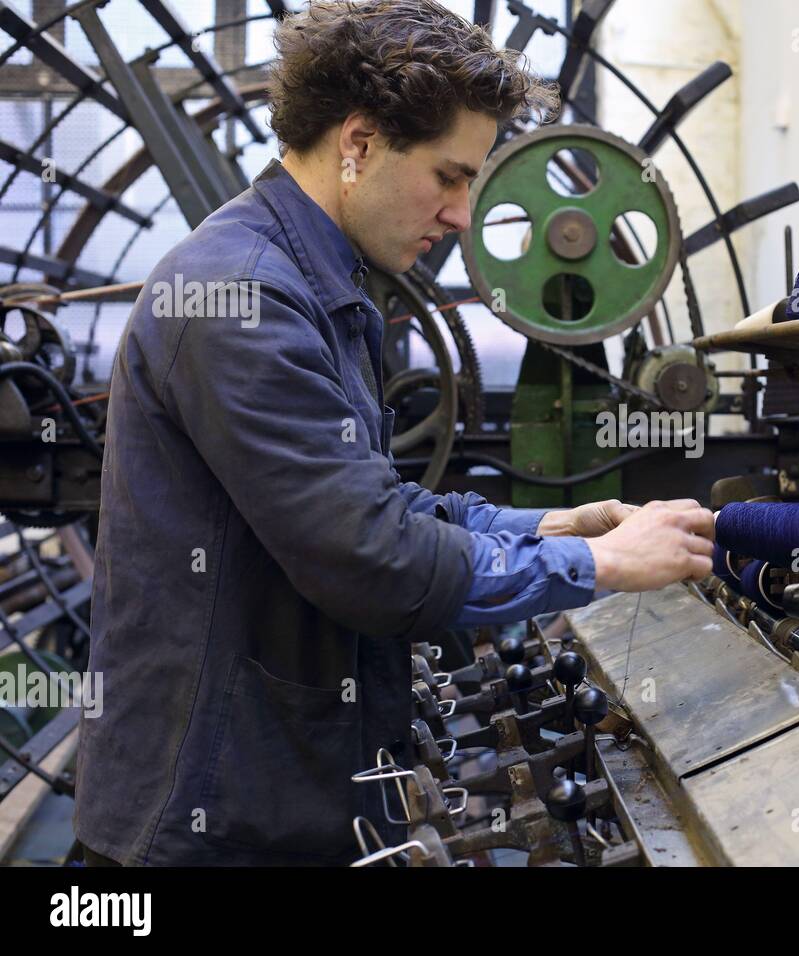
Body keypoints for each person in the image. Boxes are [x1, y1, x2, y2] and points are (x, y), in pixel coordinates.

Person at [74, 0, 715, 866]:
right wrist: (599, 566)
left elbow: (376, 502)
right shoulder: (246, 298)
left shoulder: (314, 285)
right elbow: (371, 558)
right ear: (361, 144)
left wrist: (549, 527)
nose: (461, 216)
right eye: (450, 177)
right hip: (209, 826)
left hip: (272, 806)